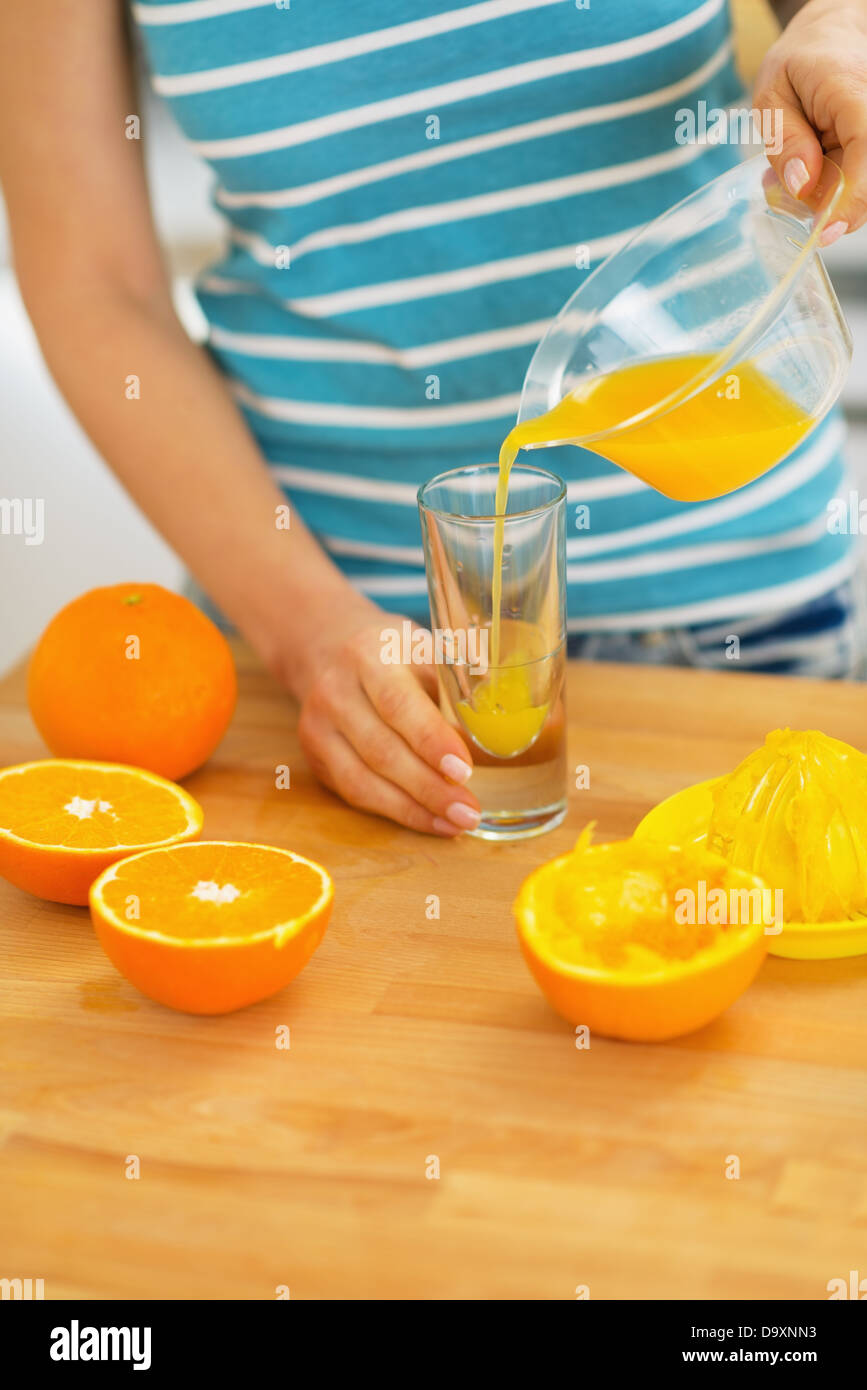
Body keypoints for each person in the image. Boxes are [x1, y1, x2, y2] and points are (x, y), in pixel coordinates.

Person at [1, 0, 865, 836]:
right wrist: (308, 634)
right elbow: (92, 286)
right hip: (335, 661)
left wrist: (841, 28)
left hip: (741, 626)